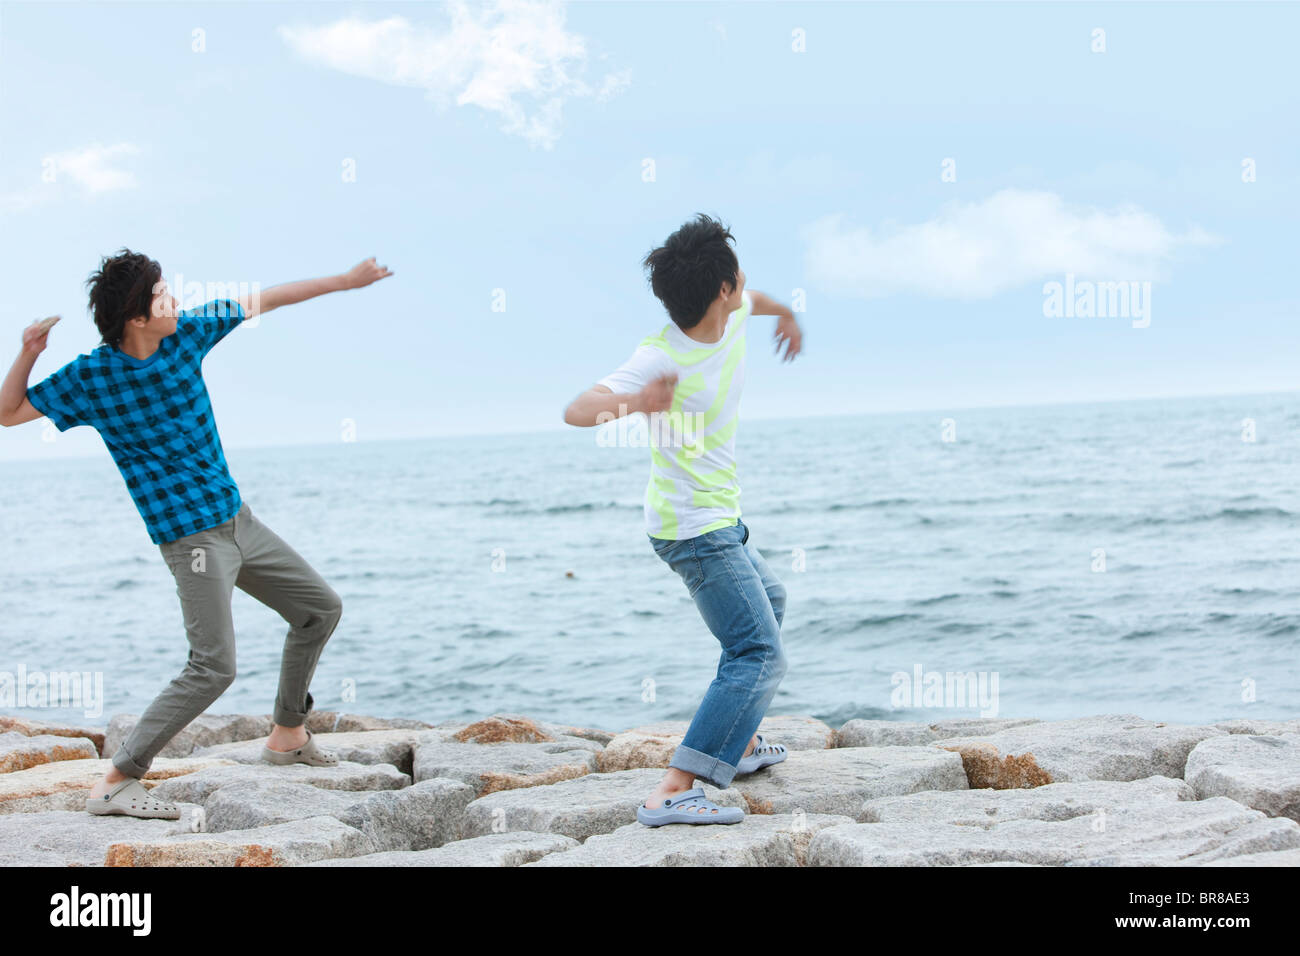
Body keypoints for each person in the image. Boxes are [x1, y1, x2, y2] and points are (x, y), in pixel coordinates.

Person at [0, 251, 392, 818]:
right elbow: (8, 413)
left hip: (240, 522)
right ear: (136, 316)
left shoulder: (189, 335)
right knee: (213, 667)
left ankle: (287, 734)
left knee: (319, 609)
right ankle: (116, 781)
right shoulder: (91, 376)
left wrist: (345, 282)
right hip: (193, 543)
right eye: (163, 295)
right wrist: (27, 354)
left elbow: (268, 297)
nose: (176, 301)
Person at [564, 215, 803, 826]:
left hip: (719, 515)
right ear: (720, 288)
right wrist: (637, 402)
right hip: (693, 529)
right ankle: (672, 788)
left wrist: (790, 317)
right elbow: (576, 410)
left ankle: (742, 743)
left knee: (770, 600)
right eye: (735, 271)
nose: (744, 282)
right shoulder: (657, 357)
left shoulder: (735, 309)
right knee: (757, 651)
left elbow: (763, 299)